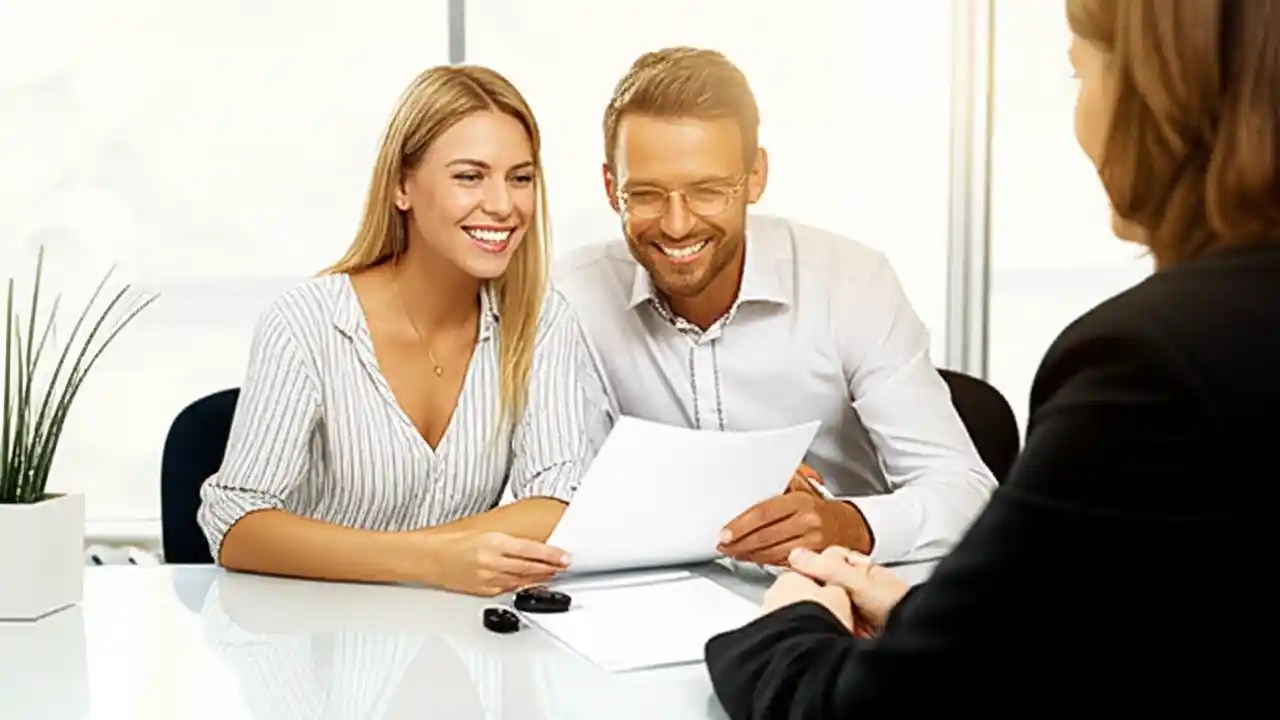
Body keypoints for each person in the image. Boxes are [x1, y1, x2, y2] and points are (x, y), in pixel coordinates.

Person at [704, 0, 1279, 713]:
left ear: (1156, 96)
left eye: (1078, 76)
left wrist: (792, 622)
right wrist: (923, 614)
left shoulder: (1153, 365)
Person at [554, 47, 997, 566]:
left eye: (708, 190)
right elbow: (564, 495)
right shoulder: (571, 296)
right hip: (654, 603)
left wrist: (848, 524)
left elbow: (968, 494)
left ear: (756, 176)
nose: (677, 225)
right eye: (647, 194)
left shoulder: (852, 284)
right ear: (612, 188)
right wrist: (719, 483)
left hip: (838, 594)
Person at [196, 65, 607, 597]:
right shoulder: (307, 324)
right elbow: (236, 523)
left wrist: (423, 559)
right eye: (469, 176)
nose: (504, 205)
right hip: (313, 647)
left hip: (456, 643)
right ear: (402, 186)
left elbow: (552, 507)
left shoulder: (541, 321)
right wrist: (431, 561)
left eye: (520, 177)